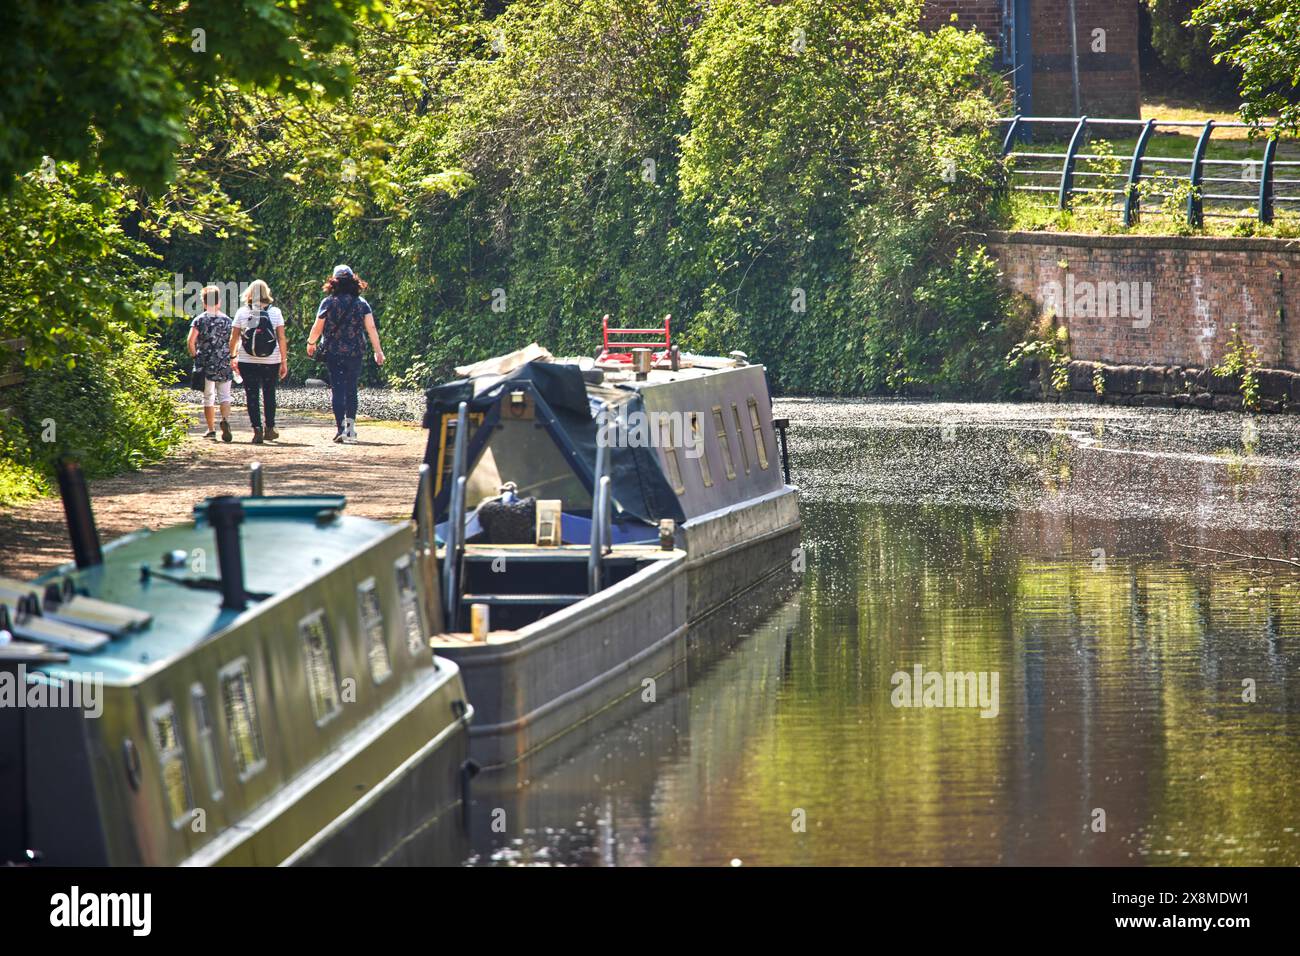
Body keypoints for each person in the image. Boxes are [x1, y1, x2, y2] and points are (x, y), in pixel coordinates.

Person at [306, 264, 385, 443]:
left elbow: (317, 327)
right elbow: (371, 328)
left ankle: (340, 429)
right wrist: (378, 351)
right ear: (353, 281)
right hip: (355, 353)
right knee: (351, 390)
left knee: (338, 390)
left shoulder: (328, 302)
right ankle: (350, 429)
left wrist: (311, 343)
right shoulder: (361, 303)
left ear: (334, 282)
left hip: (334, 353)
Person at [228, 279, 288, 444]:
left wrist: (233, 357)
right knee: (269, 393)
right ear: (266, 292)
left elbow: (233, 338)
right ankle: (270, 427)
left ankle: (257, 429)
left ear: (249, 293)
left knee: (251, 394)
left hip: (247, 360)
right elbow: (281, 338)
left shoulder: (242, 312)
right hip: (271, 360)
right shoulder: (275, 312)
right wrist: (284, 361)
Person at [186, 285, 234, 442]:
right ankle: (225, 421)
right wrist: (232, 357)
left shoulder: (199, 320)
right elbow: (234, 341)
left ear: (204, 303)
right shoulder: (228, 321)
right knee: (225, 396)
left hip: (206, 364)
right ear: (219, 301)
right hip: (224, 362)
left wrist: (195, 357)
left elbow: (190, 341)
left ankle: (211, 430)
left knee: (208, 397)